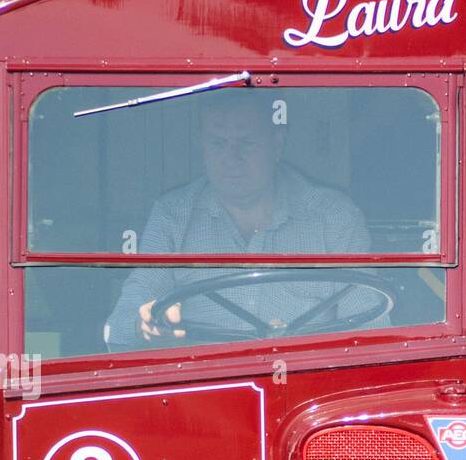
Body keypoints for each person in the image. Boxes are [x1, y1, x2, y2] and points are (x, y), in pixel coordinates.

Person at [105, 89, 381, 350]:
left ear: (277, 143)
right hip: (207, 388)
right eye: (218, 143)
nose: (231, 158)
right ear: (201, 145)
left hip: (308, 385)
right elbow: (119, 328)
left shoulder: (334, 216)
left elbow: (370, 331)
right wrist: (144, 323)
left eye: (246, 142)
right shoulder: (172, 215)